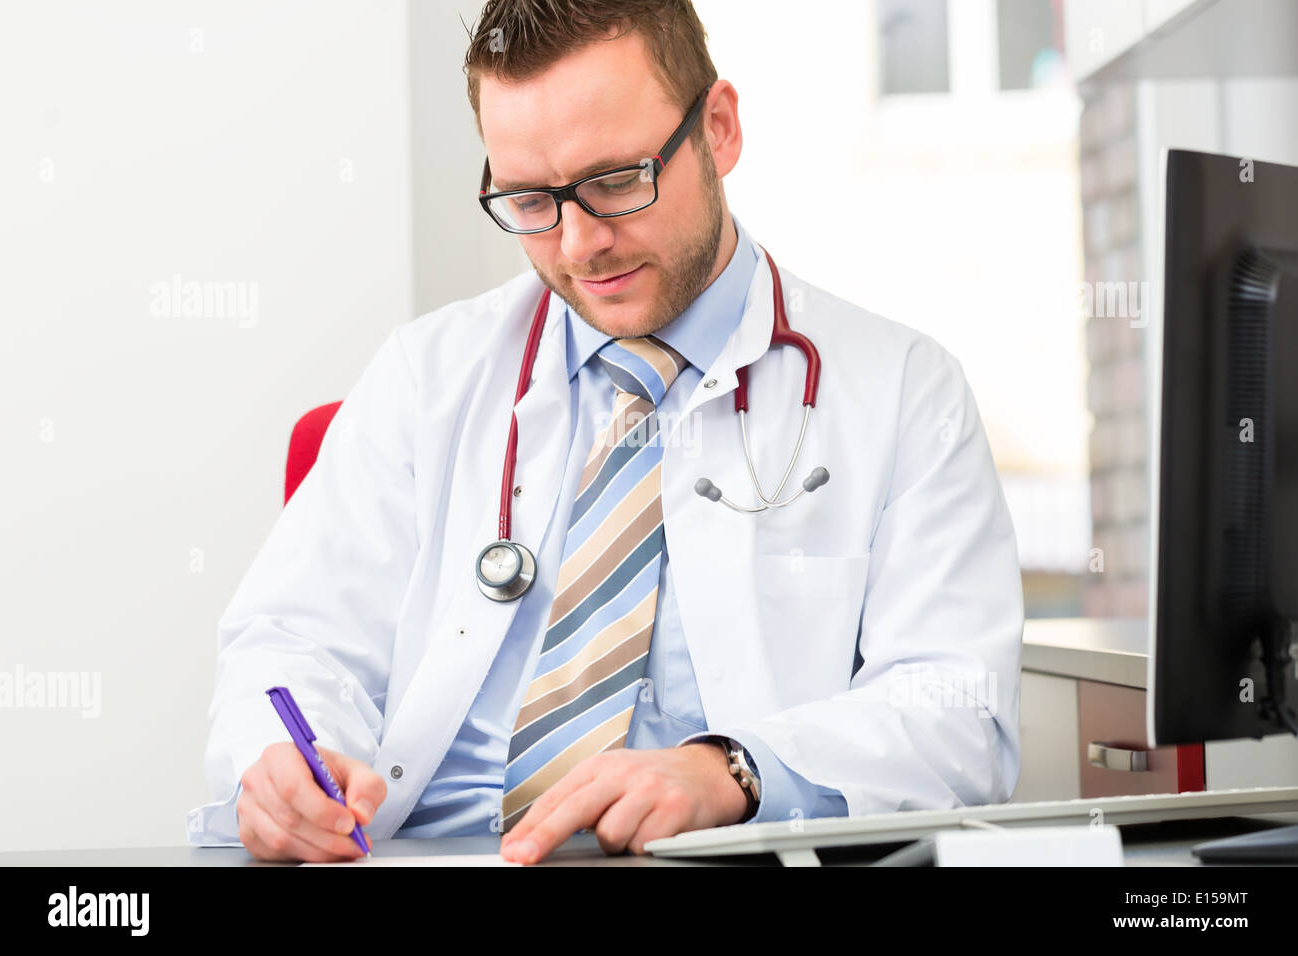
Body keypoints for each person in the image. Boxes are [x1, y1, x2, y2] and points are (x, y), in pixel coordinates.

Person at [189, 0, 1023, 865]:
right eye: (528, 200)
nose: (581, 244)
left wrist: (732, 771)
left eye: (617, 181)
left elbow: (959, 713)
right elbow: (291, 642)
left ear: (720, 130)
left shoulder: (902, 394)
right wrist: (283, 764)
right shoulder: (424, 378)